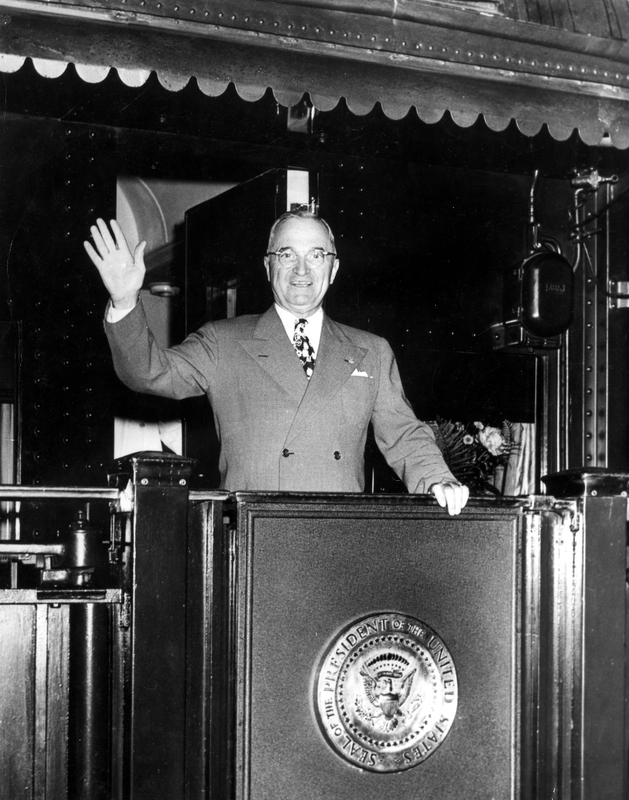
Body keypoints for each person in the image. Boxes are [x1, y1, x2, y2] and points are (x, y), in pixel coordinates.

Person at [85, 212, 469, 515]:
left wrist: (438, 479)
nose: (302, 270)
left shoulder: (372, 349)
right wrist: (124, 302)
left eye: (316, 255)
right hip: (255, 539)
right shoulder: (224, 341)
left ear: (333, 269)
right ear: (268, 267)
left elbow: (403, 434)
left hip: (340, 536)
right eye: (287, 255)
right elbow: (149, 372)